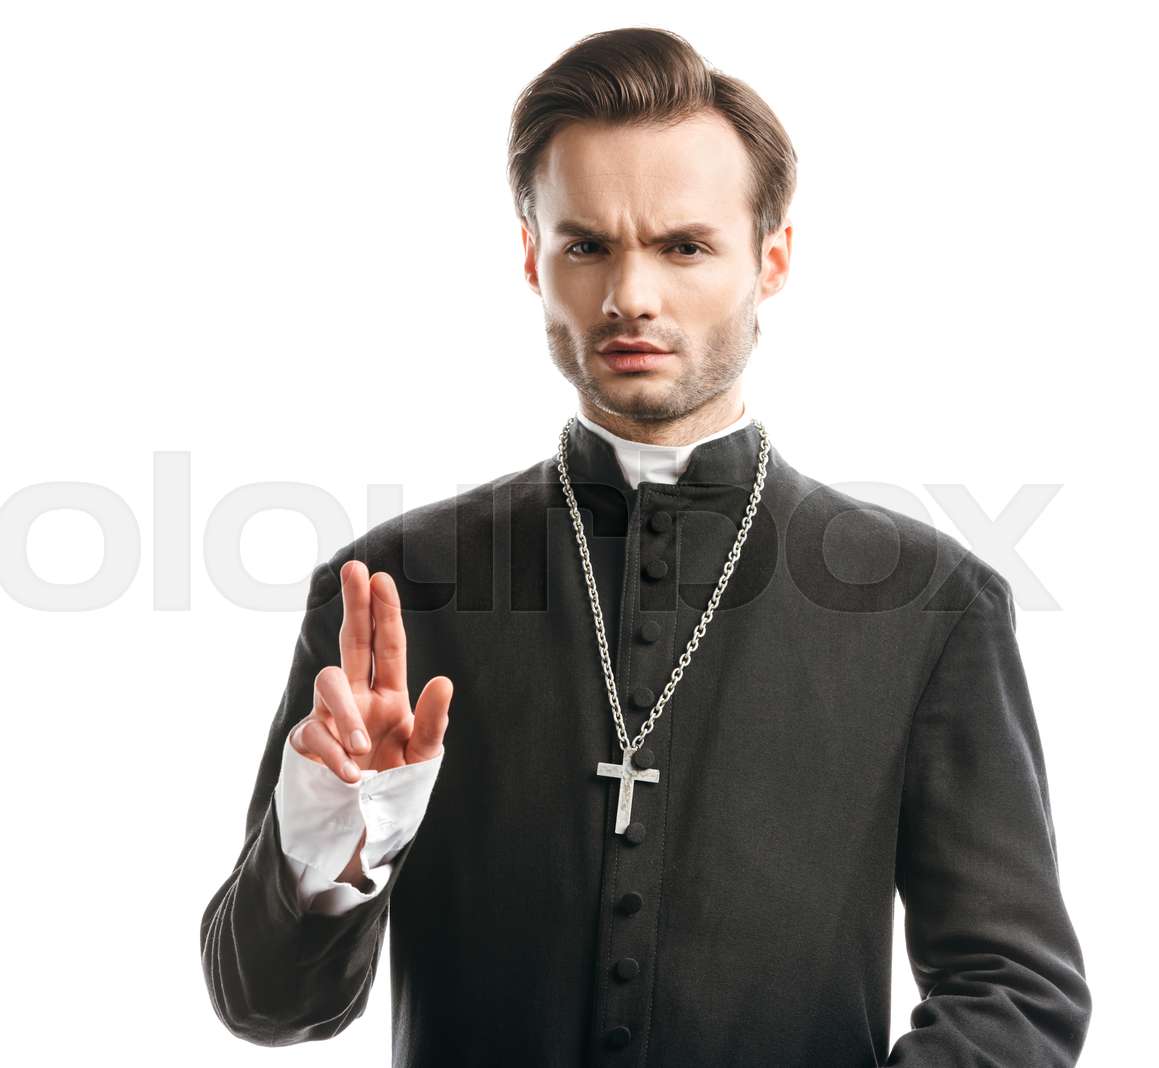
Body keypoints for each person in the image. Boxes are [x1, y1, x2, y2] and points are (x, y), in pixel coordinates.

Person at [199, 26, 1091, 1066]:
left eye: (683, 246)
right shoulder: (394, 590)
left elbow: (1012, 988)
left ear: (772, 257)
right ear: (534, 258)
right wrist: (332, 843)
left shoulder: (926, 601)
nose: (631, 295)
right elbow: (264, 1007)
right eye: (587, 245)